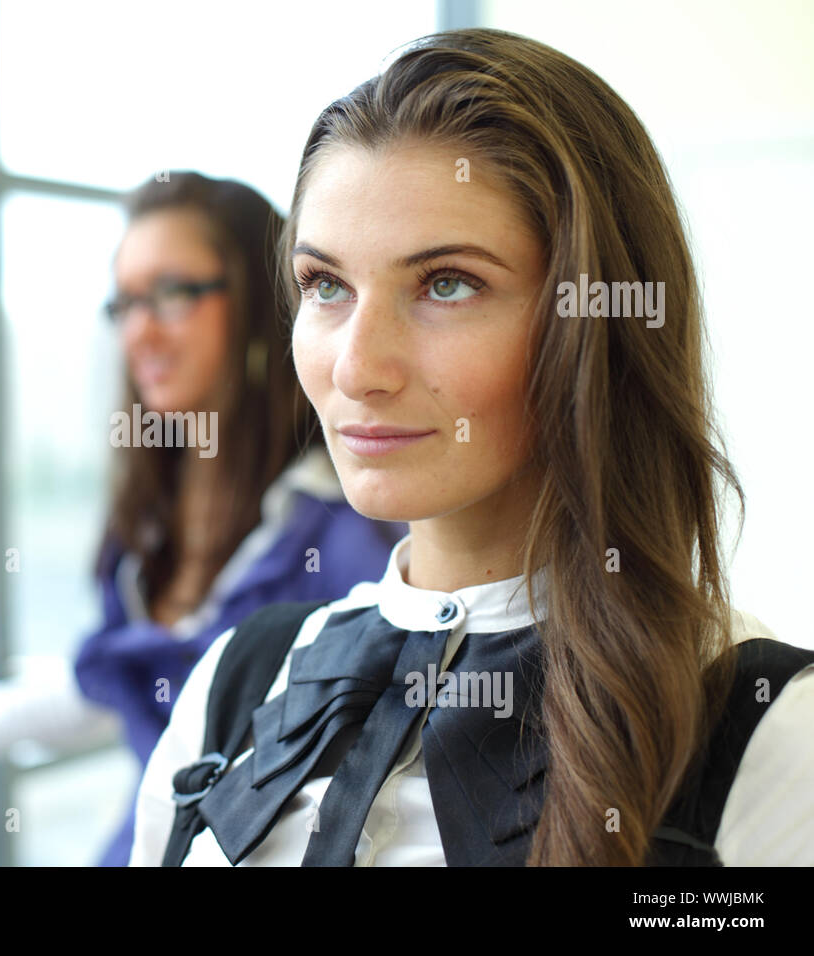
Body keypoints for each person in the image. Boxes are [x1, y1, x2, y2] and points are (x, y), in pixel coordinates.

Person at [131, 29, 814, 867]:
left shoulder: (768, 733)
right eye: (326, 285)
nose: (357, 366)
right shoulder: (238, 681)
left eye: (447, 284)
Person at [75, 172, 404, 866]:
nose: (141, 330)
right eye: (126, 301)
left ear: (261, 302)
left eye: (172, 293)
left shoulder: (343, 530)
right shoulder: (142, 526)